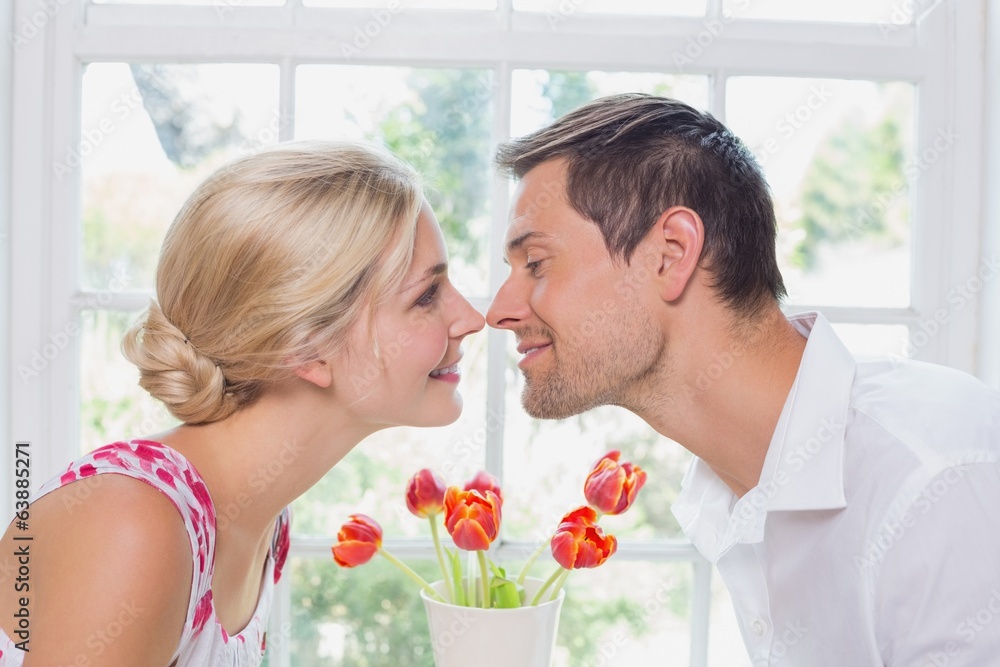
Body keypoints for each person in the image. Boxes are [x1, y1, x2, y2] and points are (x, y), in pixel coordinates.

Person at [486, 93, 1000, 666]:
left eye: (535, 263)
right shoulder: (729, 491)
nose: (498, 310)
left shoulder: (939, 480)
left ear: (671, 254)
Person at [0, 140, 485, 665]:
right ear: (307, 346)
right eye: (426, 296)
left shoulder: (263, 519)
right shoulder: (136, 524)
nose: (471, 317)